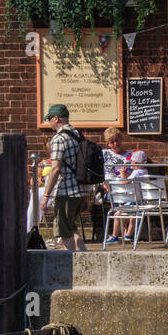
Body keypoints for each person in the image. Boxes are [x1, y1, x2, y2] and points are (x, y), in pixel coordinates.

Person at [40, 103, 89, 251]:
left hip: (66, 192)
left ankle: (75, 267)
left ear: (56, 118)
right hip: (82, 189)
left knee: (64, 233)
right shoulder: (78, 135)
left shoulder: (58, 139)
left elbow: (55, 169)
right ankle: (85, 260)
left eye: (50, 119)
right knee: (72, 230)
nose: (49, 123)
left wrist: (46, 196)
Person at [101, 127, 134, 244]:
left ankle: (120, 235)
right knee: (125, 207)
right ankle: (126, 234)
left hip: (128, 189)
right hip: (111, 190)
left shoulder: (131, 156)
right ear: (108, 143)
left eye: (117, 140)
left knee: (126, 205)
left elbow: (134, 174)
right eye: (112, 142)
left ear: (121, 139)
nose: (115, 144)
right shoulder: (104, 154)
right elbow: (99, 173)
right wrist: (104, 185)